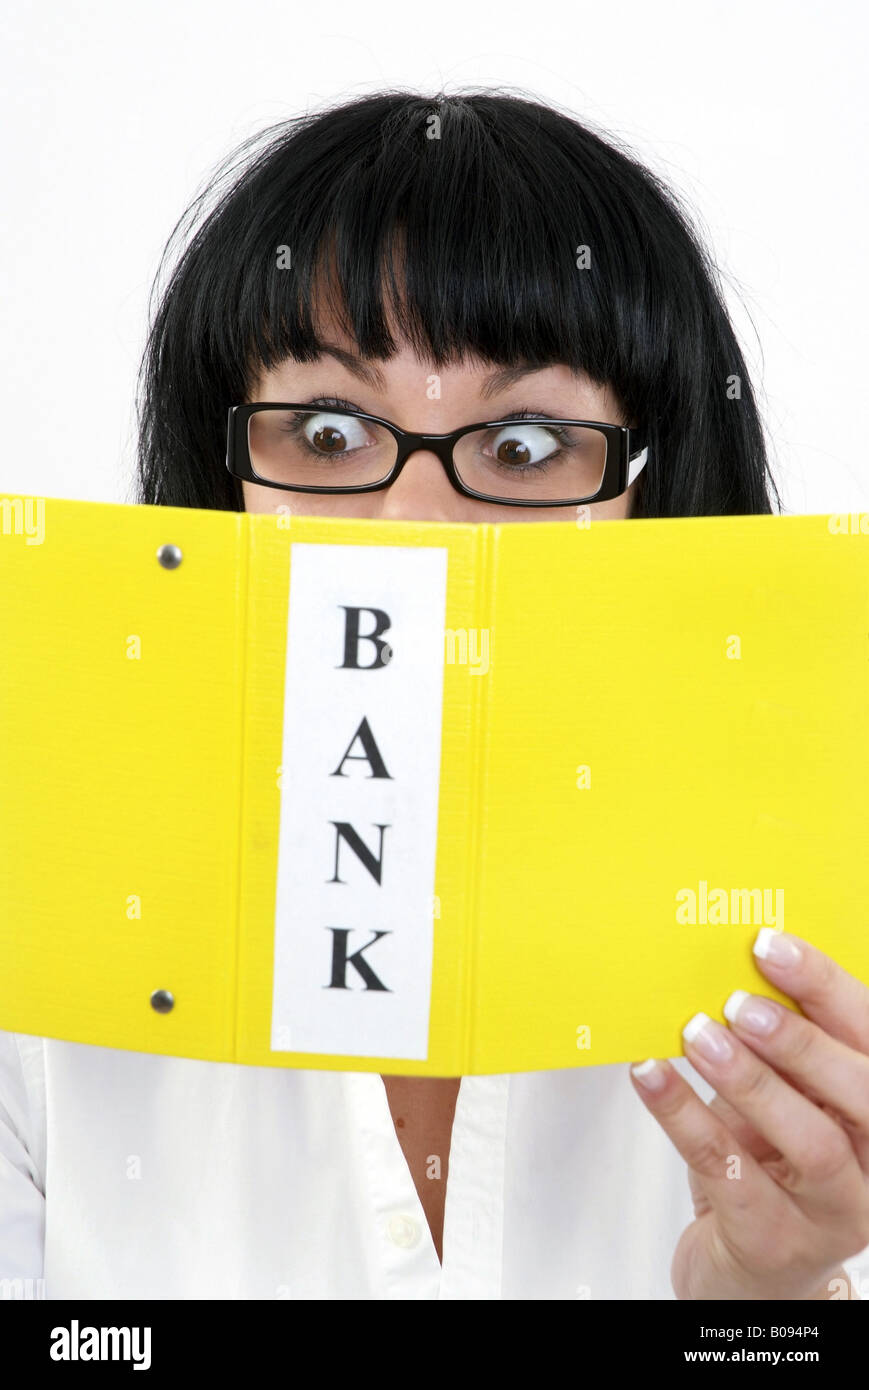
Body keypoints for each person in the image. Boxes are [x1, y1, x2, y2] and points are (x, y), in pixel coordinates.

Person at [2, 89, 867, 1300]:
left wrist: (760, 1300)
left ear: (650, 499)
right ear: (219, 478)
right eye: (323, 429)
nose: (412, 526)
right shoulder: (44, 944)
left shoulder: (816, 978)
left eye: (521, 447)